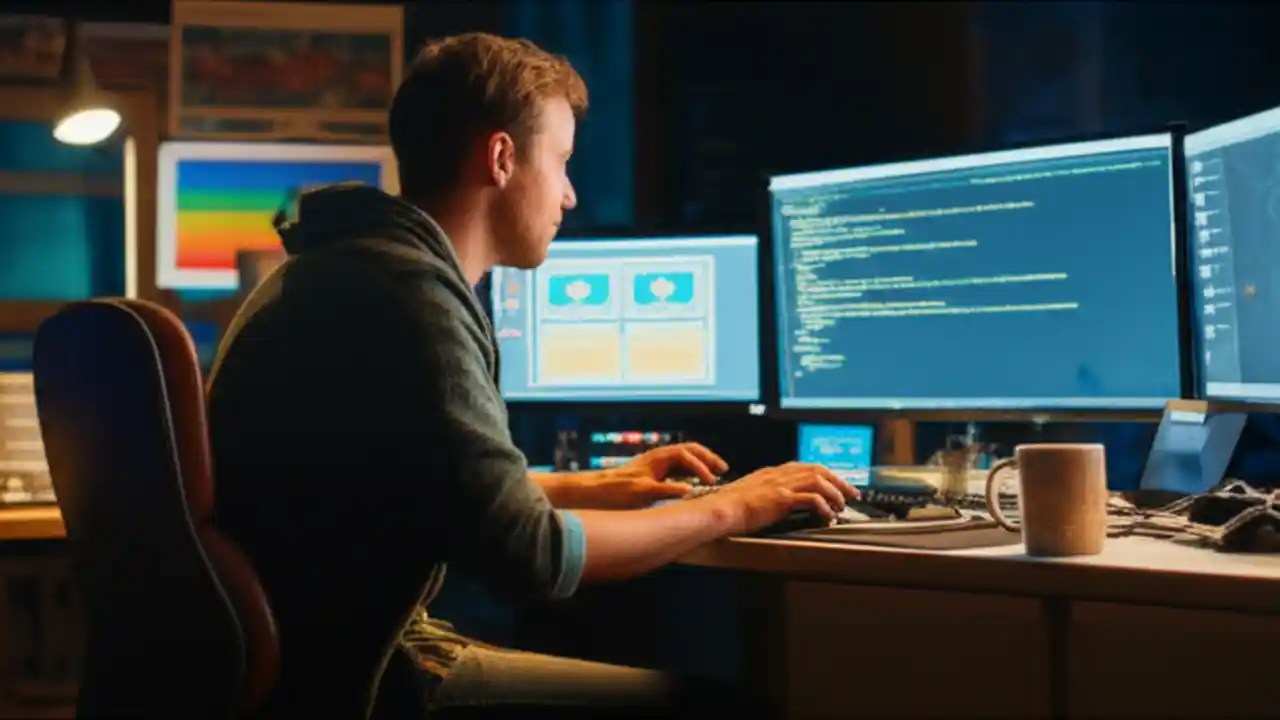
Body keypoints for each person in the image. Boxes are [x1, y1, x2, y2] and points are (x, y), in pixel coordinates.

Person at [206, 32, 854, 719]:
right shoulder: (407, 300)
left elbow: (413, 480)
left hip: (312, 662)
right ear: (503, 157)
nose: (571, 195)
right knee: (724, 708)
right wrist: (735, 505)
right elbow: (532, 557)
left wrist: (594, 484)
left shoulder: (341, 269)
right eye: (563, 161)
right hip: (357, 683)